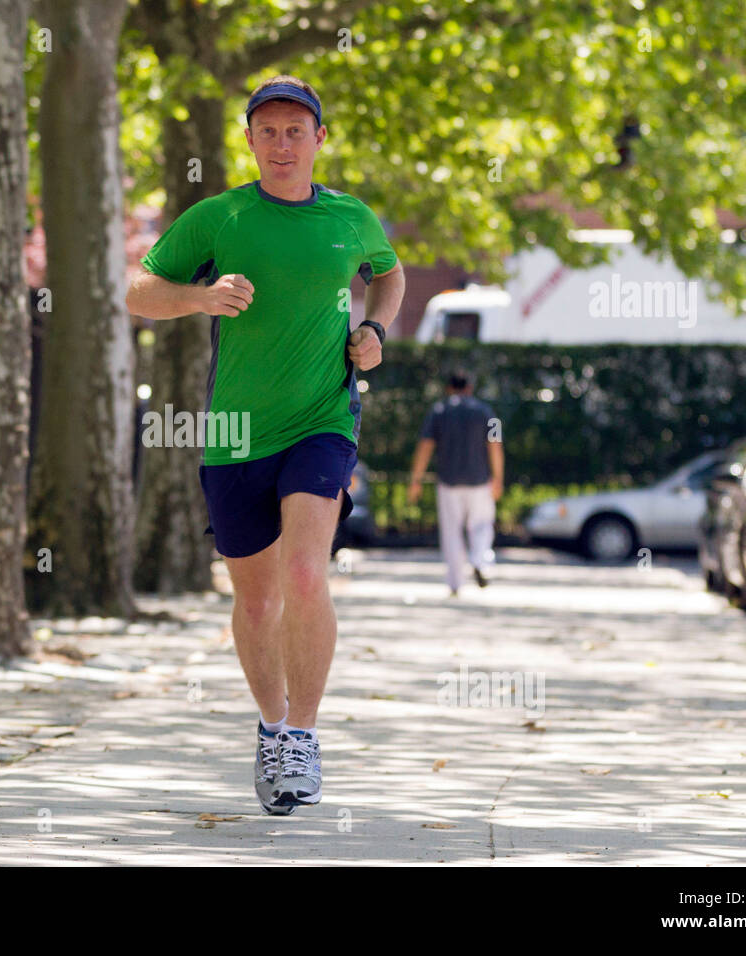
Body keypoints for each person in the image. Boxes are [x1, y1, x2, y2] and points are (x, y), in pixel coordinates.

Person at [124, 75, 405, 814]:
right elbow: (138, 291)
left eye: (295, 131)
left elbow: (389, 273)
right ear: (249, 140)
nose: (283, 144)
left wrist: (375, 330)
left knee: (306, 575)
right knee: (256, 601)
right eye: (268, 131)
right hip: (234, 432)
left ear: (319, 138)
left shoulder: (350, 217)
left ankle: (302, 737)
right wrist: (200, 297)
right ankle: (272, 726)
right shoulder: (220, 217)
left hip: (323, 420)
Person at [407, 370, 504, 596]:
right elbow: (496, 445)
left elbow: (425, 446)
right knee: (482, 525)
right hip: (480, 481)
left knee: (451, 532)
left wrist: (416, 479)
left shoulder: (439, 411)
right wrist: (498, 477)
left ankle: (455, 582)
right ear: (470, 388)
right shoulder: (487, 411)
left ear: (448, 388)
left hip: (448, 481)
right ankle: (480, 561)